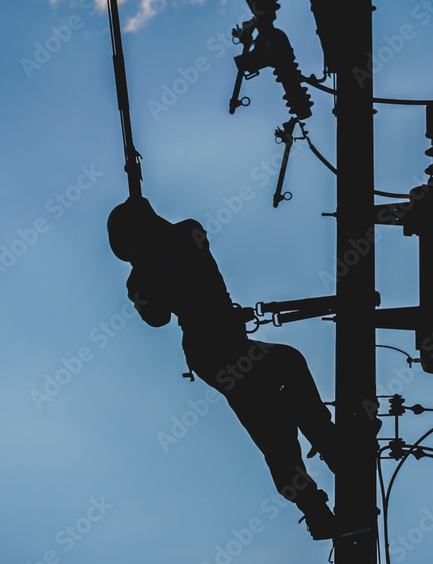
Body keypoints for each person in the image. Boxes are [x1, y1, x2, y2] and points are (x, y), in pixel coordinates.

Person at [107, 195, 338, 540]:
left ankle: (328, 454)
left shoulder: (184, 234)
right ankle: (320, 486)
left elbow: (193, 247)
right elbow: (156, 318)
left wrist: (152, 257)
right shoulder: (138, 279)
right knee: (274, 415)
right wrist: (145, 267)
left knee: (277, 405)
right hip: (210, 348)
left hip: (225, 340)